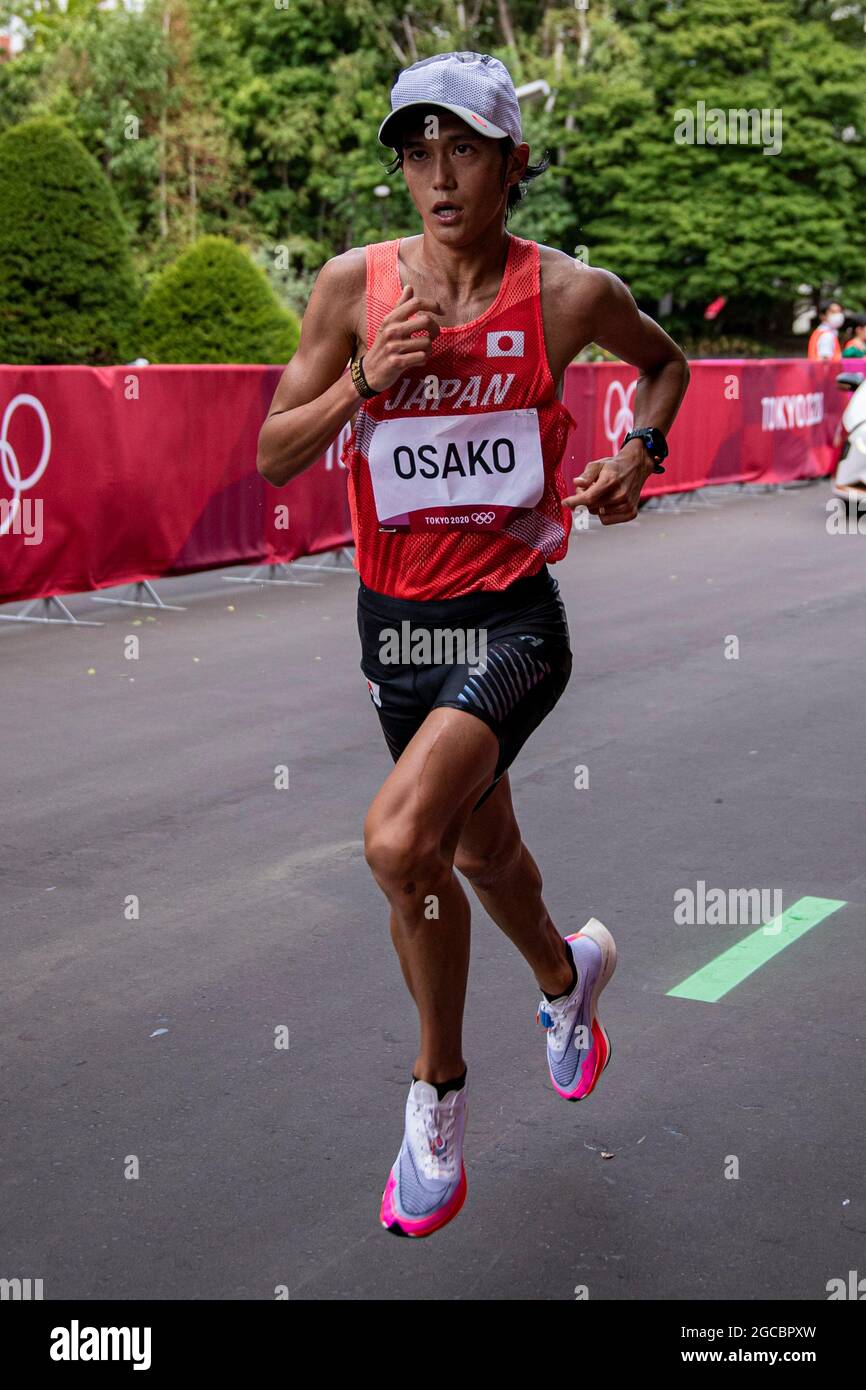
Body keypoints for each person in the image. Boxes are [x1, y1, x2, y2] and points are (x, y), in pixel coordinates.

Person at [257, 50, 689, 1239]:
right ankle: (565, 976)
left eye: (463, 150)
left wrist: (633, 459)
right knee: (483, 856)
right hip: (395, 631)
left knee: (402, 844)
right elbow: (274, 454)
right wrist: (360, 378)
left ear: (513, 162)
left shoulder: (564, 296)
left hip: (511, 621)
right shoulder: (354, 287)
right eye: (416, 151)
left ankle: (438, 1093)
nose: (437, 177)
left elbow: (664, 365)